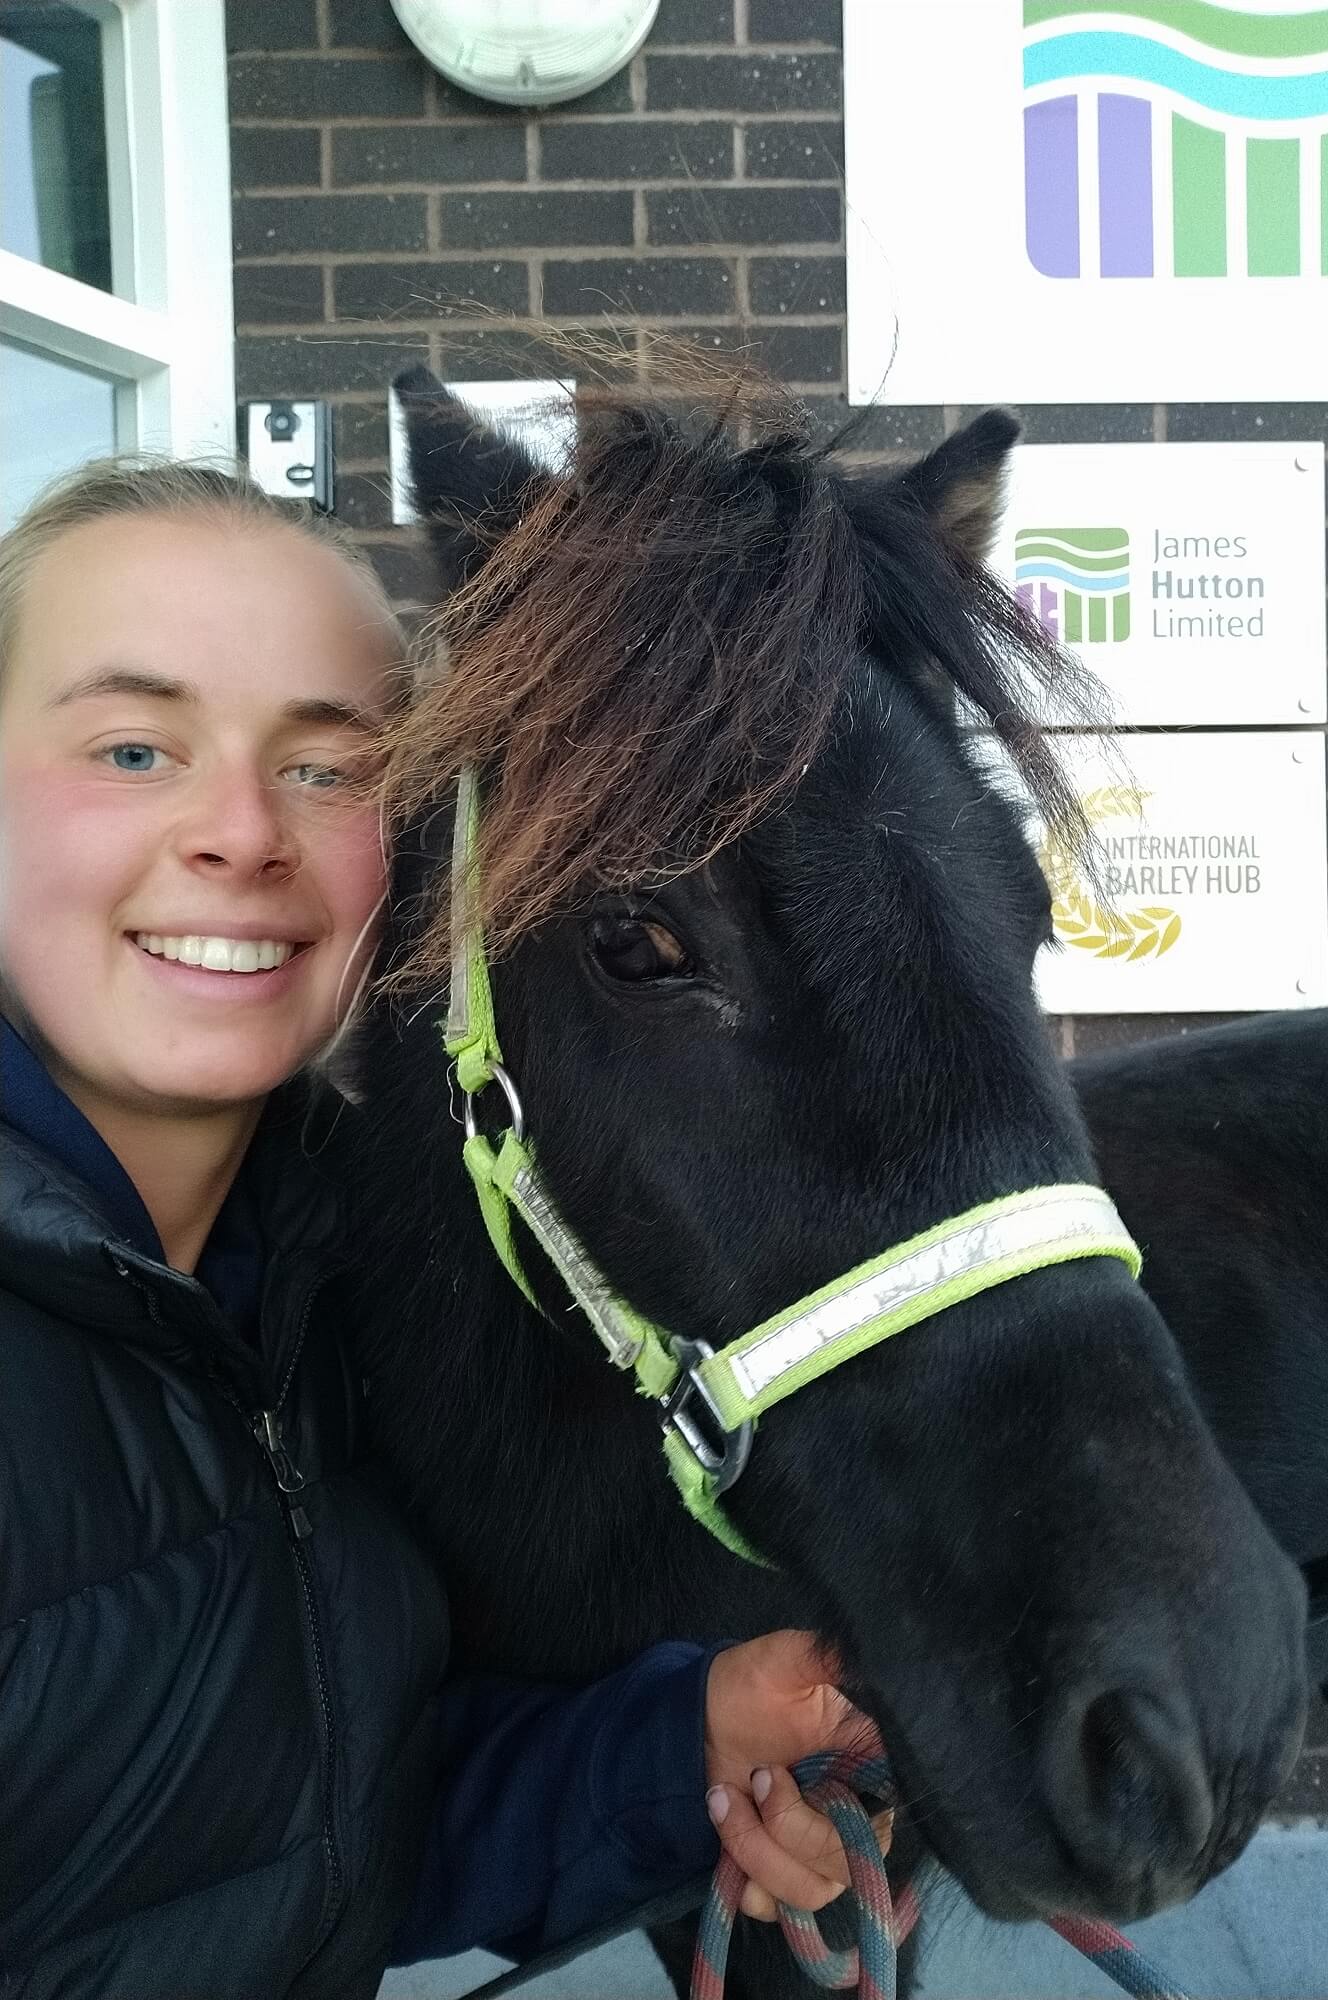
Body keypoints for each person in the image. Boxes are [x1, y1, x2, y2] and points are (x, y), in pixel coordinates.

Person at [0, 461, 882, 1999]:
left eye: (332, 770)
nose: (241, 832)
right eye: (134, 748)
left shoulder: (338, 1286)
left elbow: (298, 1836)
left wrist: (686, 1743)